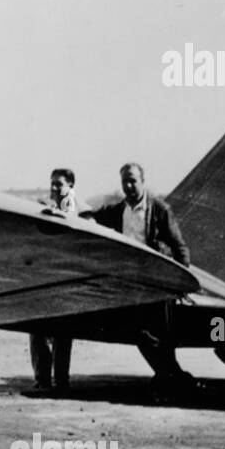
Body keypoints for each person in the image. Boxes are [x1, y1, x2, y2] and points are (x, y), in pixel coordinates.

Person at [84, 163, 194, 388]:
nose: (128, 185)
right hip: (131, 284)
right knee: (139, 332)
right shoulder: (117, 211)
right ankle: (173, 376)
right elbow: (89, 216)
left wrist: (182, 283)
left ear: (143, 181)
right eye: (125, 181)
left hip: (157, 281)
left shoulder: (160, 210)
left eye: (133, 180)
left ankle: (169, 377)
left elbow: (179, 246)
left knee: (162, 335)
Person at [29, 168, 90, 391]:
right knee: (38, 332)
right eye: (52, 183)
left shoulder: (83, 211)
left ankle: (61, 381)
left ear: (71, 185)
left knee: (63, 334)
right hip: (45, 277)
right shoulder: (43, 208)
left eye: (60, 184)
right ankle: (42, 379)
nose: (54, 188)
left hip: (69, 279)